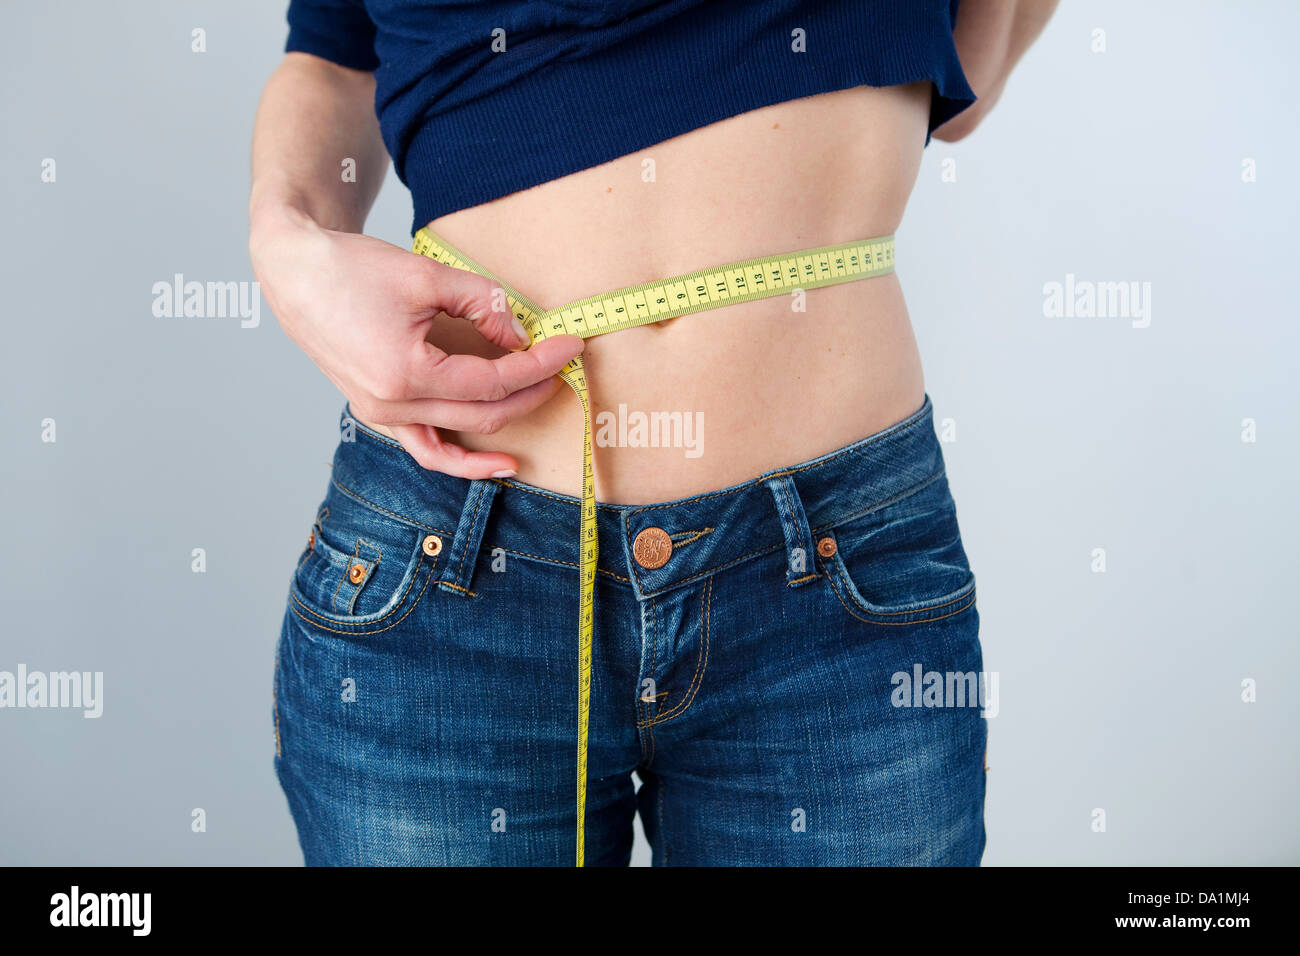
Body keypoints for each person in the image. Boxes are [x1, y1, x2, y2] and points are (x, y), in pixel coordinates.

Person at [251, 0, 1057, 866]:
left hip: (840, 575)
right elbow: (337, 57)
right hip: (452, 568)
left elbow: (967, 80)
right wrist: (286, 242)